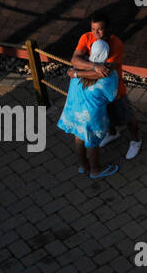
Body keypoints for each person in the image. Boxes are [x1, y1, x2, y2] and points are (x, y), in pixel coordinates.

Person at [72, 13, 141, 160]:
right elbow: (74, 60)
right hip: (95, 92)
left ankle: (136, 141)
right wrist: (95, 65)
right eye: (93, 29)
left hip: (114, 89)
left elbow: (104, 72)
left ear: (108, 29)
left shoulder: (117, 45)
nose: (96, 33)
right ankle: (112, 133)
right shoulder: (86, 37)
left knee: (128, 117)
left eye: (100, 29)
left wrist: (78, 74)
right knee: (106, 115)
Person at [57, 38, 119, 178]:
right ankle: (95, 170)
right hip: (91, 115)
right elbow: (111, 97)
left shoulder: (78, 67)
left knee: (79, 137)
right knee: (92, 141)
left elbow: (75, 71)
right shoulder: (109, 76)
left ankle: (83, 165)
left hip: (74, 111)